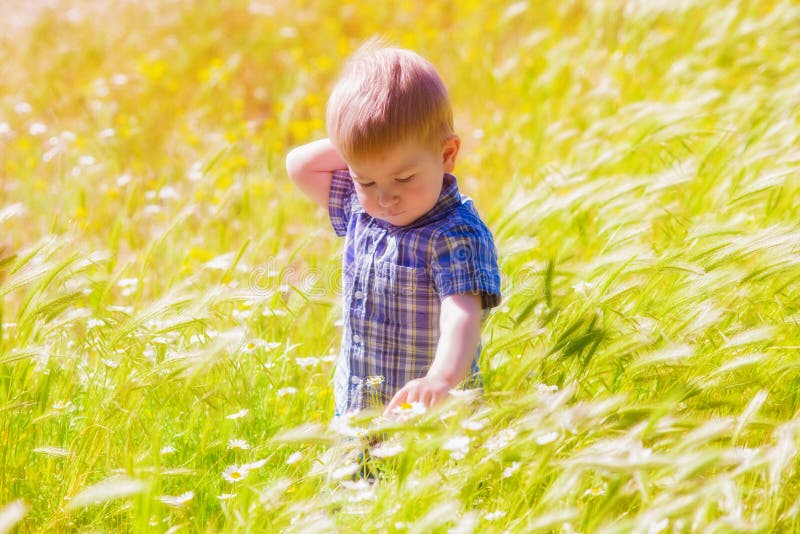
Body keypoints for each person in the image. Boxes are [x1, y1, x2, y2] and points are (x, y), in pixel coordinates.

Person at [285, 39, 501, 424]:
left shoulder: (454, 234)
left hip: (429, 415)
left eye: (403, 177)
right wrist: (361, 151)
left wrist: (442, 378)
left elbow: (462, 311)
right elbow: (298, 165)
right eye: (365, 180)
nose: (385, 198)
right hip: (358, 409)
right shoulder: (360, 206)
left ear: (447, 154)